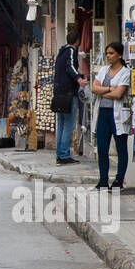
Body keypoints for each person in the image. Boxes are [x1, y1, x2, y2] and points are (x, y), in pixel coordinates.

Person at [91, 41, 132, 190]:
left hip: (118, 114)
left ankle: (118, 180)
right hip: (102, 113)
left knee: (121, 147)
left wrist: (103, 91)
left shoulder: (125, 72)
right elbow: (93, 88)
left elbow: (119, 94)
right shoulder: (103, 70)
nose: (108, 56)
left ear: (119, 55)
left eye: (111, 53)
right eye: (107, 53)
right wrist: (109, 88)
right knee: (102, 148)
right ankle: (103, 180)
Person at [52, 25, 88, 166]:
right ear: (77, 41)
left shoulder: (61, 52)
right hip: (68, 93)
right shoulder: (71, 51)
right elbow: (70, 67)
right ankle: (64, 155)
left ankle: (60, 155)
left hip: (59, 93)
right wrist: (79, 79)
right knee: (69, 124)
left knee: (61, 124)